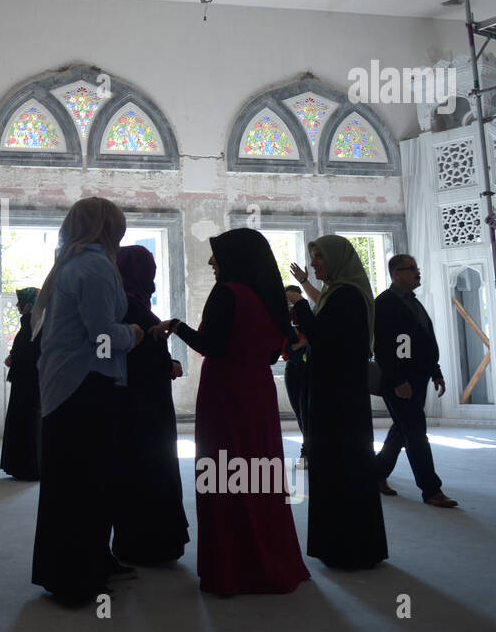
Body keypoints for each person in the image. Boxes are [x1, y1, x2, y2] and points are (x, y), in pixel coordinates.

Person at [163, 230, 309, 596]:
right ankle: (268, 559)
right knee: (259, 475)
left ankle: (233, 568)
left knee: (223, 472)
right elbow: (274, 352)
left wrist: (175, 326)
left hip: (225, 393)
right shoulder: (268, 296)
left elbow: (210, 345)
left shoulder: (227, 293)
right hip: (257, 392)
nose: (212, 263)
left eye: (216, 256)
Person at [30, 197, 143, 604]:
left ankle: (82, 563)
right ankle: (78, 575)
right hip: (85, 386)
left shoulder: (75, 262)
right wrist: (134, 334)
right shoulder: (94, 266)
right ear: (107, 228)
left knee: (75, 483)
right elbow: (100, 338)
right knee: (86, 484)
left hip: (72, 385)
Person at [289, 236, 388, 570]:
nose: (314, 264)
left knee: (341, 467)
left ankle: (347, 547)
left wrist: (299, 306)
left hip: (339, 400)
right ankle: (346, 545)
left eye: (319, 257)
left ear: (337, 259)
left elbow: (325, 338)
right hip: (338, 395)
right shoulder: (338, 292)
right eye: (313, 257)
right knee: (337, 467)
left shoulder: (346, 295)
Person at [111, 245, 189, 567]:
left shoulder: (127, 301)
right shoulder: (129, 304)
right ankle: (151, 545)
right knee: (150, 469)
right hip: (144, 407)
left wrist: (164, 360)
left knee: (143, 469)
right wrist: (165, 365)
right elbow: (134, 355)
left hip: (139, 404)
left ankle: (142, 543)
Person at [373, 254, 457, 507]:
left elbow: (423, 342)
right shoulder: (386, 303)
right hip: (400, 381)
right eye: (411, 269)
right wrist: (399, 380)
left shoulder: (411, 302)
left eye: (416, 269)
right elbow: (385, 348)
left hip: (416, 378)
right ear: (396, 274)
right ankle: (431, 490)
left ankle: (375, 474)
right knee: (416, 433)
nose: (417, 273)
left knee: (403, 429)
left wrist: (436, 371)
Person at [0, 287, 42, 481]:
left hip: (26, 385)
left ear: (28, 305)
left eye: (20, 302)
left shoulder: (31, 326)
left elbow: (20, 356)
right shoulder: (37, 324)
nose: (17, 305)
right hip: (32, 384)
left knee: (25, 424)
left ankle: (26, 467)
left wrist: (13, 358)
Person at [281, 285, 310, 467]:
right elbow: (285, 353)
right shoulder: (283, 323)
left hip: (310, 369)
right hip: (294, 369)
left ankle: (308, 451)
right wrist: (302, 343)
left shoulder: (308, 318)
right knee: (300, 414)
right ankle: (306, 451)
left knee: (309, 413)